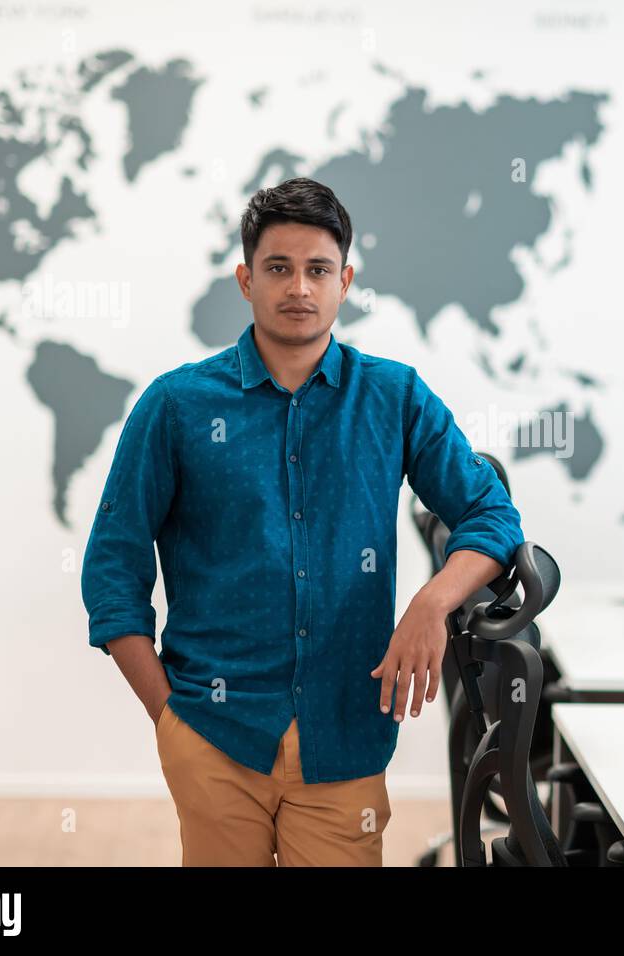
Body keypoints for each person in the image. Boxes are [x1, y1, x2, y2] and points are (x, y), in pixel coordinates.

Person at [80, 177, 524, 866]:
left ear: (344, 280)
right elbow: (112, 570)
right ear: (244, 279)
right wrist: (169, 719)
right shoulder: (177, 406)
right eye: (278, 268)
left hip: (344, 741)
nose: (299, 288)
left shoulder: (394, 395)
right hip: (215, 735)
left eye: (318, 269)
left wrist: (433, 603)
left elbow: (491, 513)